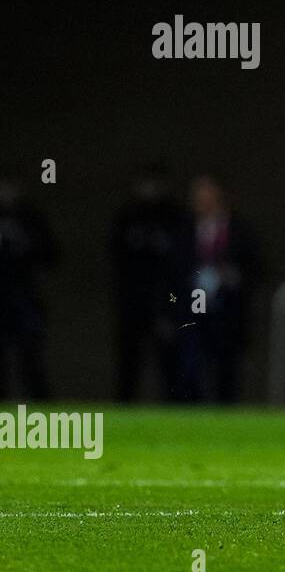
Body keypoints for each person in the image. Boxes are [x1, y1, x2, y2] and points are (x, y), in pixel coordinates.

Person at [178, 174, 261, 402]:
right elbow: (172, 272)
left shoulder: (240, 229)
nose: (199, 199)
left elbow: (257, 267)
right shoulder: (184, 229)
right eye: (196, 194)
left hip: (227, 313)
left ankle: (226, 419)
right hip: (192, 311)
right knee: (190, 369)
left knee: (226, 371)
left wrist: (232, 276)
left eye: (205, 193)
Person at [109, 165, 188, 401]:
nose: (149, 189)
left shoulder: (175, 217)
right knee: (128, 361)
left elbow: (181, 264)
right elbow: (114, 256)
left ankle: (174, 411)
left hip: (166, 300)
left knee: (169, 362)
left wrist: (173, 304)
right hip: (132, 301)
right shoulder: (126, 217)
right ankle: (124, 409)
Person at [0, 180, 56, 399]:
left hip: (25, 298)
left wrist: (26, 251)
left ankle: (40, 412)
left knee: (31, 358)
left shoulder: (31, 217)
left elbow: (51, 256)